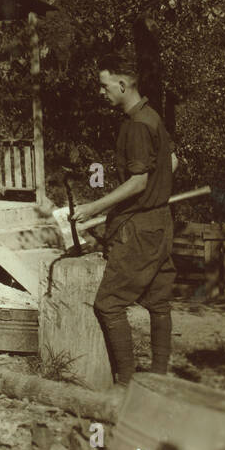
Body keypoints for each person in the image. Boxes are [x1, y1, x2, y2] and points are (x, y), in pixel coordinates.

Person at [71, 57, 180, 387]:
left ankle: (125, 385)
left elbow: (138, 182)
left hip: (140, 229)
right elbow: (172, 160)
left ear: (122, 85)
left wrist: (94, 208)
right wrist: (156, 190)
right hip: (161, 221)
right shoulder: (152, 116)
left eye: (104, 85)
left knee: (108, 304)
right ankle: (159, 380)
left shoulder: (135, 125)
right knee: (159, 303)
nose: (101, 91)